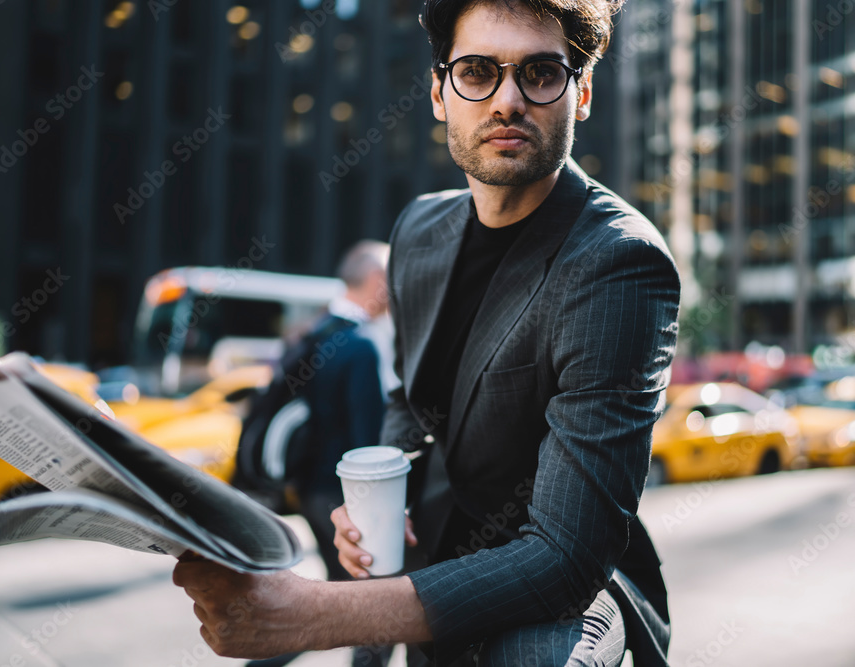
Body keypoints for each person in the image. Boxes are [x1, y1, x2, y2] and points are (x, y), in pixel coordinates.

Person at [174, 1, 679, 665]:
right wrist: (382, 493)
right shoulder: (417, 229)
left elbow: (564, 557)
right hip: (437, 555)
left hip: (565, 599)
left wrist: (308, 615)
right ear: (441, 92)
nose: (507, 100)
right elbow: (410, 399)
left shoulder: (620, 263)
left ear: (580, 94)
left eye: (540, 73)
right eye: (477, 71)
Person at [247, 241, 394, 667]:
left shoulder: (310, 333)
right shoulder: (360, 345)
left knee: (344, 592)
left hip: (309, 488)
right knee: (373, 603)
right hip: (347, 496)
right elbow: (369, 442)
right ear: (376, 282)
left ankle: (263, 663)